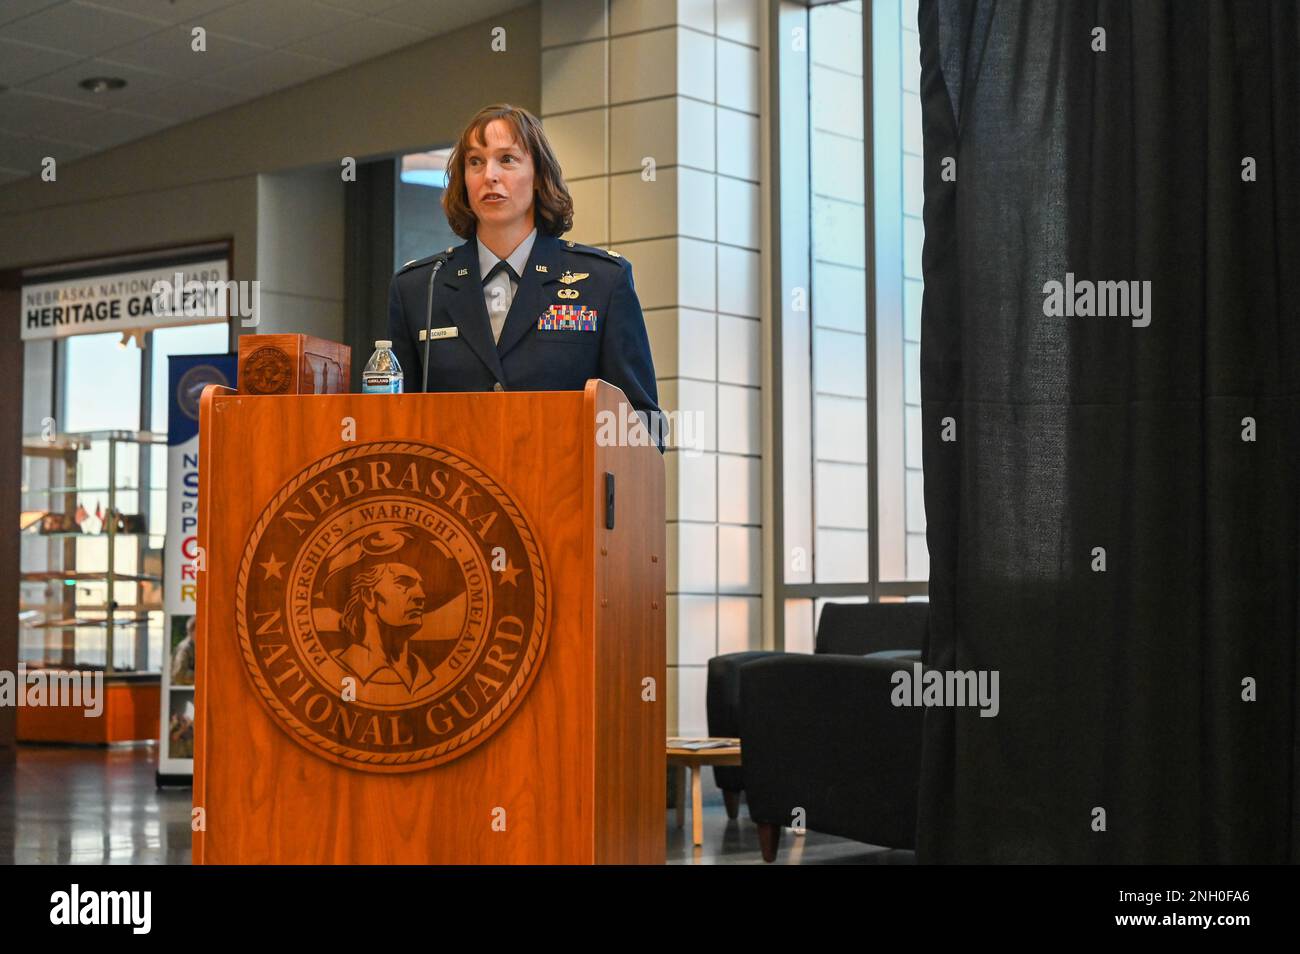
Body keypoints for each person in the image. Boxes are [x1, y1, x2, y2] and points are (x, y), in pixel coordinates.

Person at [387, 104, 663, 448]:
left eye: (507, 159)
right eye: (475, 162)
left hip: (564, 494)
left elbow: (643, 424)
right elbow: (392, 423)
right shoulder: (419, 288)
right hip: (454, 494)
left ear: (538, 175)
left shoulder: (602, 282)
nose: (489, 175)